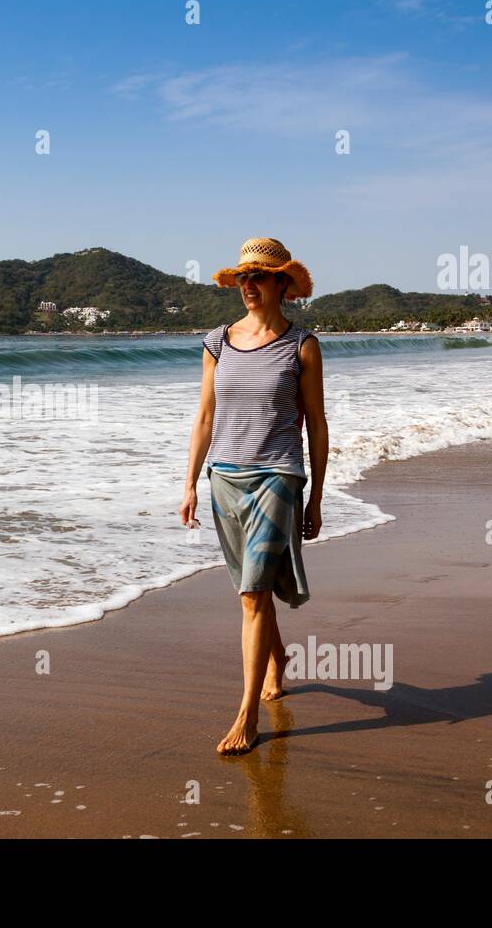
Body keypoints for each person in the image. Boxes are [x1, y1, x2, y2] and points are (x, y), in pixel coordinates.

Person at [179, 236, 329, 755]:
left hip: (278, 476)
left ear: (282, 284)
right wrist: (190, 482)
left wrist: (315, 497)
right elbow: (204, 418)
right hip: (226, 477)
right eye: (242, 277)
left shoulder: (301, 345)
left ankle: (245, 714)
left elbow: (316, 424)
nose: (248, 284)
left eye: (259, 276)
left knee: (251, 595)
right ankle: (277, 658)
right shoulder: (217, 341)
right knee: (252, 590)